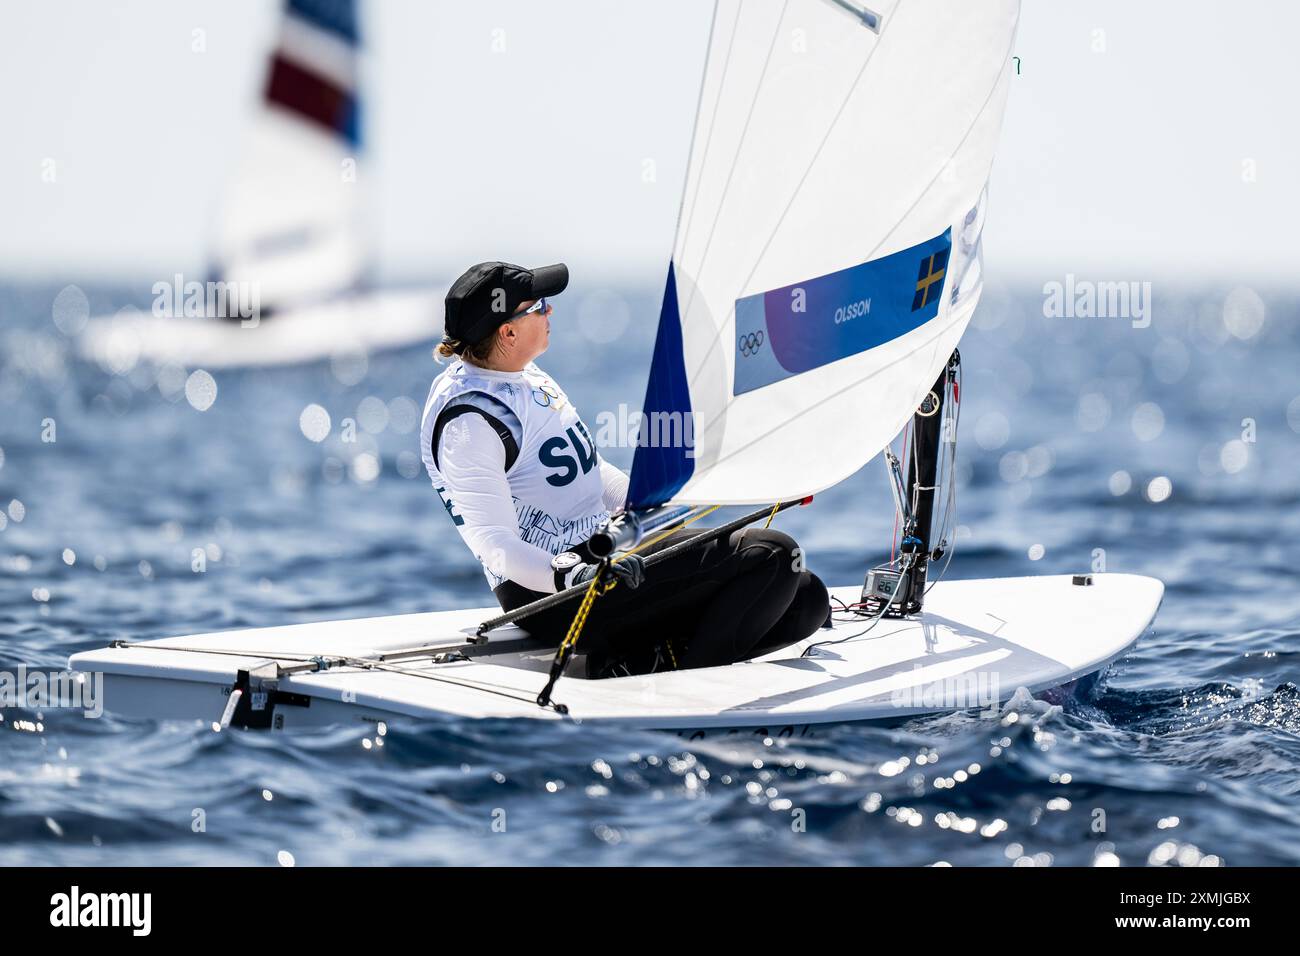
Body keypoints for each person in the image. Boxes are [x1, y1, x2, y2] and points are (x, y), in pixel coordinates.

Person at [419, 260, 830, 676]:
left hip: (607, 550)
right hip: (553, 592)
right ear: (507, 332)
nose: (550, 312)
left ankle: (646, 659)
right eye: (539, 306)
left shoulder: (519, 374)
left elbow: (592, 473)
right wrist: (572, 576)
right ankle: (684, 688)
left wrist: (665, 500)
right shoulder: (469, 423)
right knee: (774, 554)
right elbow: (495, 545)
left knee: (808, 597)